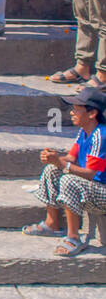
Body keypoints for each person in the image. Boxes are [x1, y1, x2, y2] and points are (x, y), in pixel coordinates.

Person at [26, 86, 106, 258]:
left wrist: (63, 165)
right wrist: (54, 159)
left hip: (102, 190)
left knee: (68, 180)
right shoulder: (84, 131)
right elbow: (70, 157)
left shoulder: (101, 135)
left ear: (92, 114)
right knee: (51, 169)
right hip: (92, 185)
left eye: (77, 109)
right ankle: (52, 223)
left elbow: (91, 174)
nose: (72, 112)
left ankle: (73, 237)